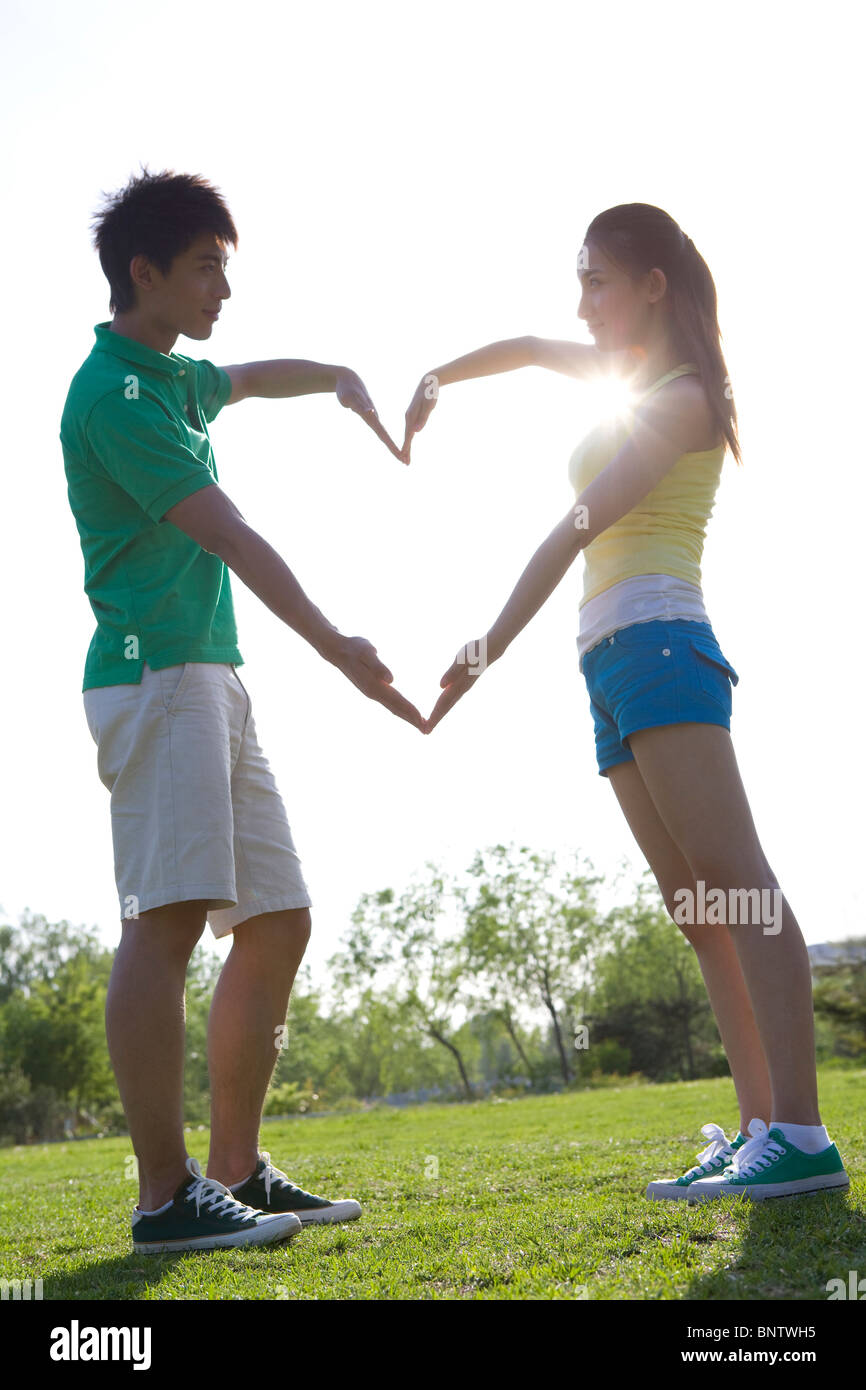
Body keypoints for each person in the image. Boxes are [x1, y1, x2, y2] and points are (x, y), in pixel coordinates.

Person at [402, 202, 849, 1203]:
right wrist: (437, 377)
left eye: (597, 279)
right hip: (606, 656)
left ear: (652, 284)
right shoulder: (631, 379)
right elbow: (524, 347)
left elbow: (573, 524)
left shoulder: (684, 396)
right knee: (695, 908)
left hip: (658, 638)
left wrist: (482, 648)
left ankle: (801, 1133)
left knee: (735, 879)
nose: (582, 301)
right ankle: (754, 1130)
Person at [61, 167, 425, 1254]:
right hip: (154, 674)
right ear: (146, 273)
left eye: (229, 264)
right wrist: (340, 650)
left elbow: (244, 378)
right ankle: (165, 1197)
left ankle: (234, 1170)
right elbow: (230, 535)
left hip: (209, 675)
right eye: (207, 266)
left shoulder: (169, 378)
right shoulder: (114, 394)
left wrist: (335, 376)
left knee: (276, 920)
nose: (224, 286)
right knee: (164, 922)